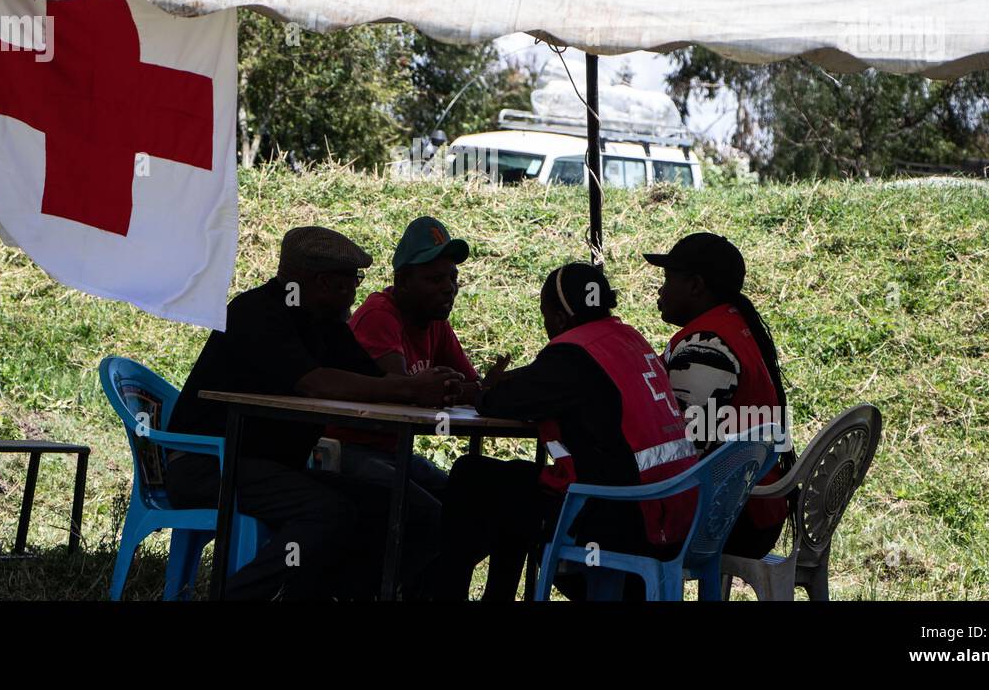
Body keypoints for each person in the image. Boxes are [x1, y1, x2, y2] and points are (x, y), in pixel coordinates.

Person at [165, 226, 464, 600]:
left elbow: (373, 382)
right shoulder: (256, 313)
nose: (355, 291)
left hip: (271, 469)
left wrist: (437, 389)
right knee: (328, 512)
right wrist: (409, 388)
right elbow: (315, 383)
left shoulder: (325, 324)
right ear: (325, 283)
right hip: (208, 465)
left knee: (417, 513)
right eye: (351, 282)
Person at [434, 263, 698, 601]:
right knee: (514, 490)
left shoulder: (573, 351)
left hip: (620, 516)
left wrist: (484, 390)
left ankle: (443, 595)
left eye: (545, 315)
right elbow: (554, 385)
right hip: (669, 510)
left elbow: (504, 400)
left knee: (473, 475)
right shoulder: (630, 339)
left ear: (559, 317)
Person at [645, 232, 795, 560]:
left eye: (668, 279)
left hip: (733, 517)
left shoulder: (705, 345)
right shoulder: (732, 326)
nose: (660, 290)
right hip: (751, 506)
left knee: (592, 525)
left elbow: (685, 446)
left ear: (696, 285)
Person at [333, 216, 492, 511]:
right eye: (435, 279)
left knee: (472, 509)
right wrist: (455, 389)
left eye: (452, 278)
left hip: (392, 451)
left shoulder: (434, 321)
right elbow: (406, 392)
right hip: (345, 450)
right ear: (403, 282)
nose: (449, 288)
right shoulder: (379, 315)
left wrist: (462, 389)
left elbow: (475, 387)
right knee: (432, 515)